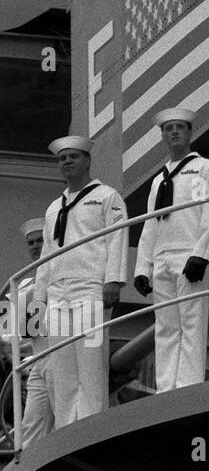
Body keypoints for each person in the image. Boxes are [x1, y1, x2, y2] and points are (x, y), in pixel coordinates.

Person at [33, 136, 128, 427]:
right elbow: (47, 256)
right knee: (62, 366)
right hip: (58, 291)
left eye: (73, 157)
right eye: (63, 158)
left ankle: (91, 425)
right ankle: (66, 426)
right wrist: (39, 299)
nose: (67, 162)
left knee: (90, 362)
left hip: (90, 287)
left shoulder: (106, 195)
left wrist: (113, 280)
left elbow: (118, 237)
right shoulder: (53, 208)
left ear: (87, 160)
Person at [132, 108, 209, 391]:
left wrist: (201, 254)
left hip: (188, 253)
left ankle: (188, 385)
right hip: (162, 256)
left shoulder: (204, 168)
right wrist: (142, 267)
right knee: (166, 325)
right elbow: (150, 225)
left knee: (192, 321)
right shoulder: (159, 180)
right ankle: (166, 386)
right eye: (168, 128)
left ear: (189, 132)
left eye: (179, 127)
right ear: (162, 136)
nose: (173, 132)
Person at [13, 218, 53, 445]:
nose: (36, 246)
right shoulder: (23, 287)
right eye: (31, 243)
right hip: (37, 361)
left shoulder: (61, 277)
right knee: (31, 424)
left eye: (40, 240)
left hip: (60, 355)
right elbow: (16, 335)